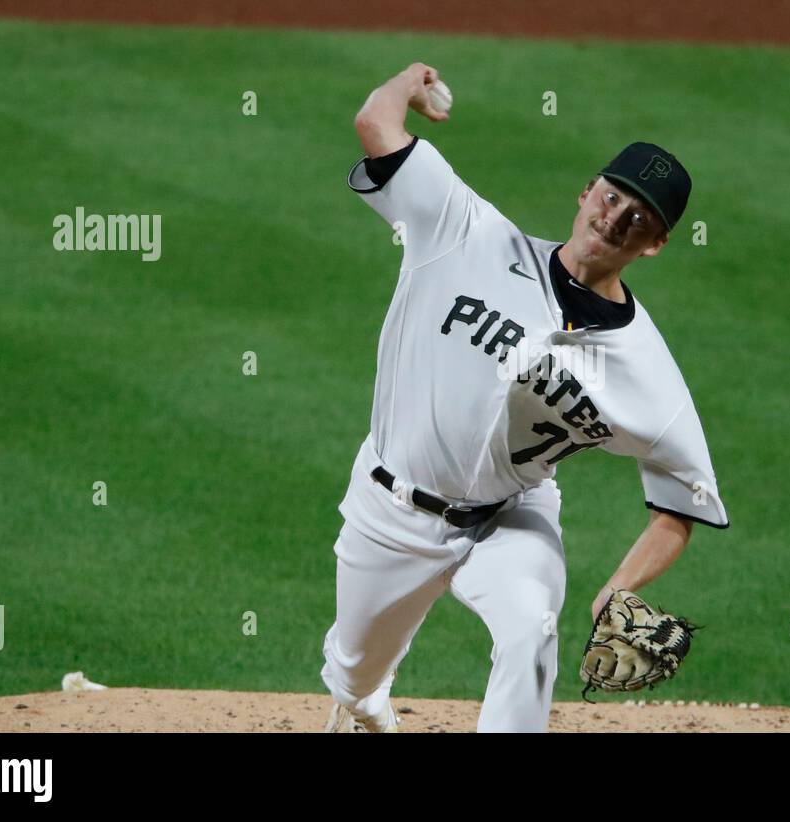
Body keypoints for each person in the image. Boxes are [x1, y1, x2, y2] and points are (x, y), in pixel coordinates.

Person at [321, 62, 728, 733]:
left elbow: (680, 506)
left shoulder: (649, 373)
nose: (617, 216)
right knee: (355, 672)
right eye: (612, 195)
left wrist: (618, 589)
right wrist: (409, 82)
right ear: (585, 191)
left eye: (640, 216)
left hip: (508, 516)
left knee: (531, 629)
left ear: (654, 244)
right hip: (388, 507)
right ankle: (364, 700)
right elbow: (374, 124)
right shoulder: (463, 230)